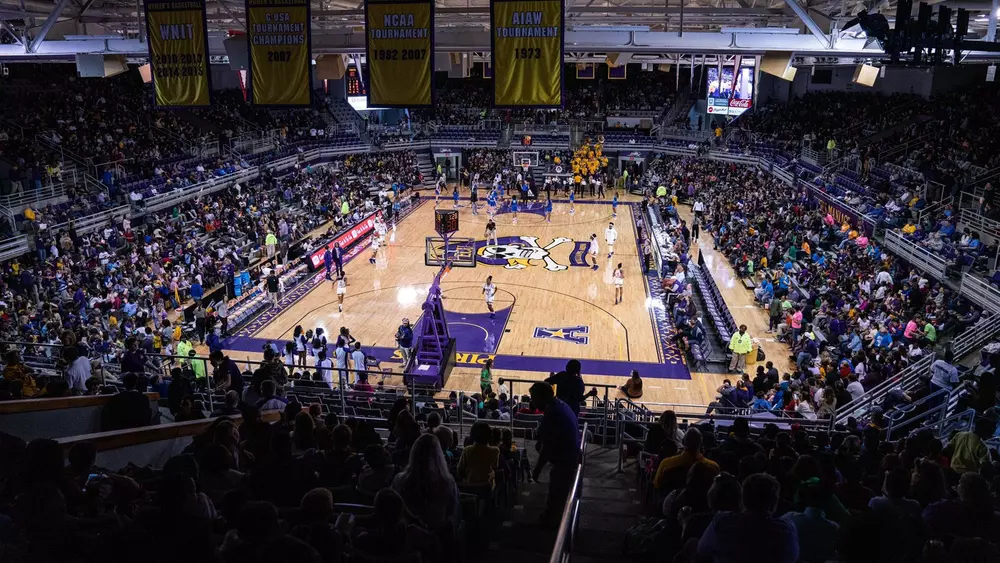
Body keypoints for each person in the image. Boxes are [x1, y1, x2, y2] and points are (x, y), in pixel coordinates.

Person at [698, 474, 799, 563]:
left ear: (743, 499)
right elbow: (793, 557)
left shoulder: (722, 522)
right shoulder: (786, 530)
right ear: (774, 503)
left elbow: (702, 549)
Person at [529, 381, 580, 527]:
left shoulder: (553, 412)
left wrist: (537, 471)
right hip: (570, 455)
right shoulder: (560, 405)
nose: (531, 401)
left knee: (557, 493)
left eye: (533, 397)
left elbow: (546, 448)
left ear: (541, 397)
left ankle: (552, 525)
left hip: (565, 460)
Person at [392, 434, 460, 536]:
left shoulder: (399, 480)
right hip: (437, 536)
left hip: (408, 537)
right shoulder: (447, 482)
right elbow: (452, 509)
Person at [653, 428, 720, 491]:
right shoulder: (713, 467)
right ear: (701, 444)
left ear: (683, 442)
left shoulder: (666, 464)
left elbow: (656, 485)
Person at [457, 422, 500, 489]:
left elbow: (460, 470)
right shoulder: (495, 450)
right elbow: (495, 466)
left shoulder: (466, 450)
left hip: (470, 487)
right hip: (487, 487)